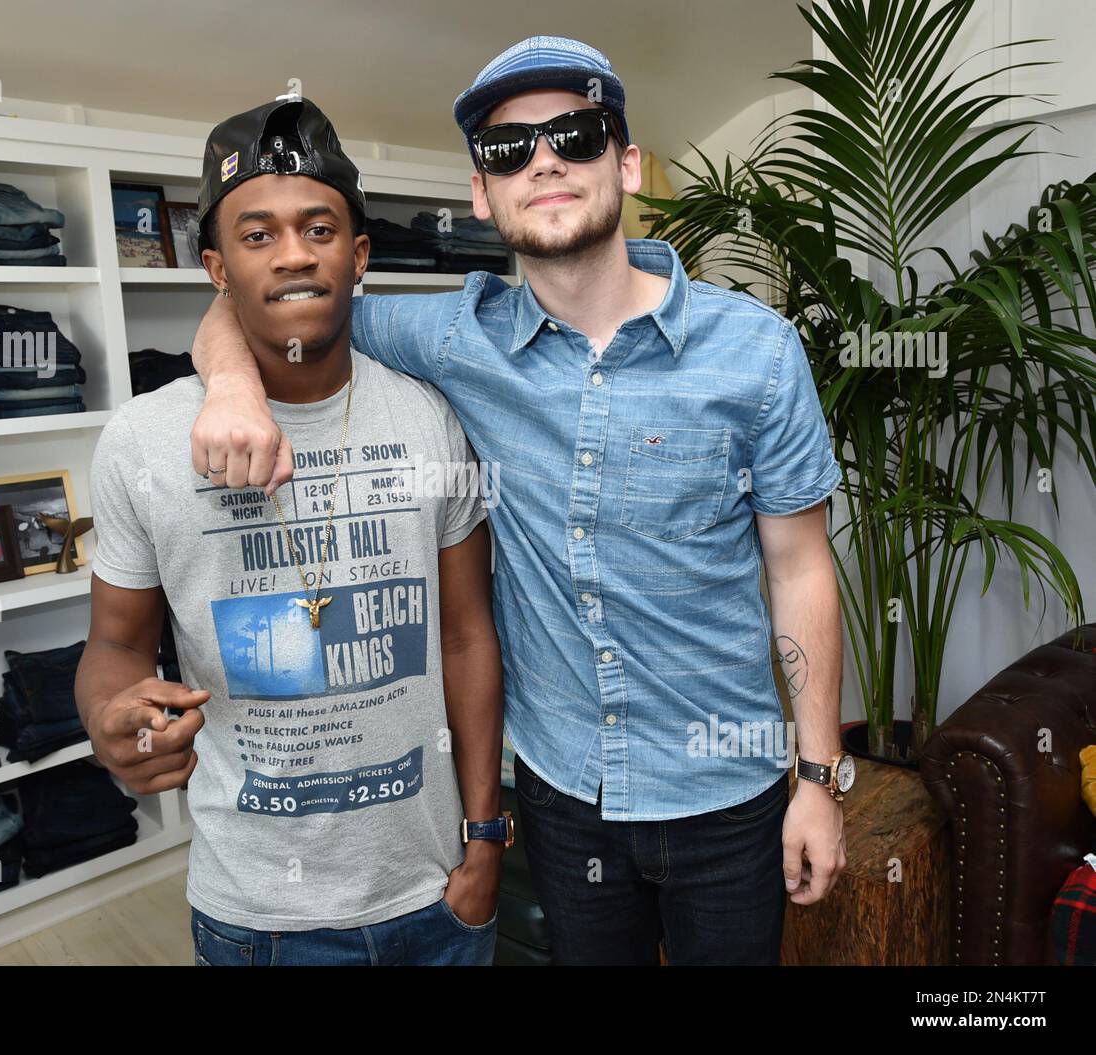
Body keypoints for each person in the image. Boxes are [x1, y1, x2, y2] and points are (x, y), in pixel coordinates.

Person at [186, 38, 856, 967]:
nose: (543, 160)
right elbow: (272, 298)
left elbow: (801, 567)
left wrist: (819, 777)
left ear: (623, 165)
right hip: (562, 794)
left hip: (727, 793)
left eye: (575, 136)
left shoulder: (758, 352)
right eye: (508, 150)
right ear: (482, 193)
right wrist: (229, 390)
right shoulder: (460, 337)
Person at [76, 97, 507, 966]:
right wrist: (109, 716)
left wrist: (486, 835)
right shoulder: (143, 441)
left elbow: (466, 635)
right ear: (216, 267)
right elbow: (114, 646)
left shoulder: (432, 417)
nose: (295, 254)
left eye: (318, 227)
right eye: (257, 234)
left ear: (358, 256)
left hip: (435, 890)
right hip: (259, 913)